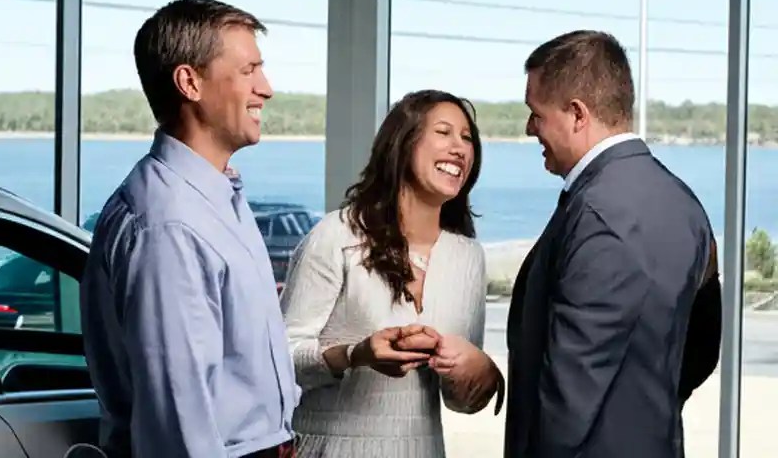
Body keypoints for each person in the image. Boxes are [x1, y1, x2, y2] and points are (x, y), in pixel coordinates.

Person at [80, 0, 298, 458]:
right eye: (248, 70)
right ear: (189, 82)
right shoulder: (169, 225)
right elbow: (176, 422)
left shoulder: (214, 197)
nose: (267, 88)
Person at [505, 29, 715, 458]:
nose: (530, 128)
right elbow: (702, 346)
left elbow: (570, 390)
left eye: (536, 113)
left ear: (577, 114)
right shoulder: (685, 202)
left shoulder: (600, 213)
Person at [281, 89, 503, 457]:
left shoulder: (468, 257)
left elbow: (458, 402)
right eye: (444, 132)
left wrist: (480, 370)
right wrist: (356, 354)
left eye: (467, 138)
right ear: (403, 142)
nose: (459, 147)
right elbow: (282, 360)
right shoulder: (335, 236)